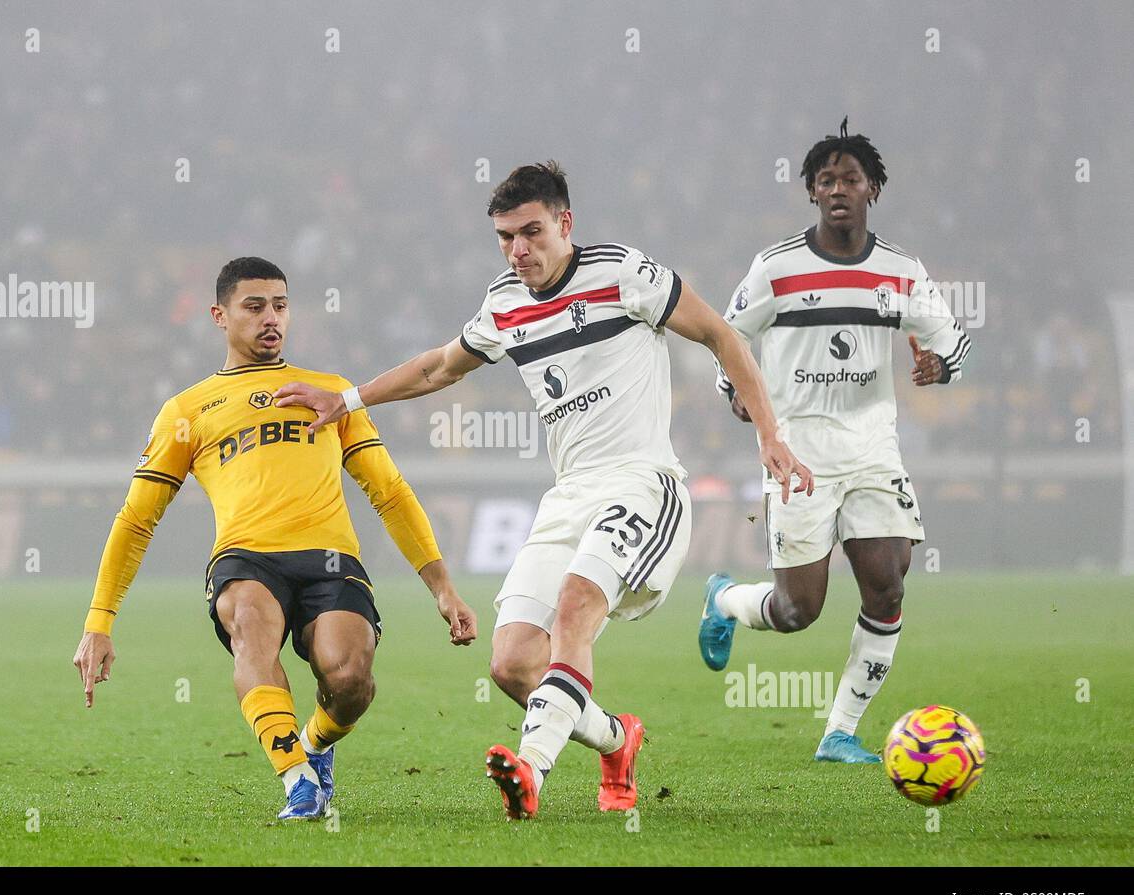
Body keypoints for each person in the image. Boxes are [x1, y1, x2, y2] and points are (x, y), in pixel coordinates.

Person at [275, 162, 812, 819]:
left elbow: (721, 335)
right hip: (569, 497)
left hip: (643, 482)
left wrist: (769, 437)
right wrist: (350, 398)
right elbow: (440, 367)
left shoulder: (623, 272)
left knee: (576, 606)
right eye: (505, 237)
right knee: (512, 664)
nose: (517, 249)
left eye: (530, 232)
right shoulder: (504, 303)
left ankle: (529, 770)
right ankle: (617, 741)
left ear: (565, 223)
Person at [72, 257, 477, 820]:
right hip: (245, 560)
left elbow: (389, 491)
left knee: (351, 678)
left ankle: (312, 745)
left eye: (280, 306)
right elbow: (137, 519)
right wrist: (99, 622)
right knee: (251, 629)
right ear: (219, 315)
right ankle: (296, 780)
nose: (271, 319)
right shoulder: (187, 410)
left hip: (330, 558)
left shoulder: (334, 395)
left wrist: (442, 588)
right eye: (254, 306)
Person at [699, 120, 971, 763]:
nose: (839, 189)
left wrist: (940, 365)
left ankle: (839, 733)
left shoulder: (900, 271)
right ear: (812, 194)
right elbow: (724, 338)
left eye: (851, 178)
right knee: (799, 610)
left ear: (873, 188)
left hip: (874, 449)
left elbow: (950, 334)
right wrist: (733, 392)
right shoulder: (776, 268)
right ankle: (726, 598)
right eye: (826, 181)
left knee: (888, 583)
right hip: (798, 452)